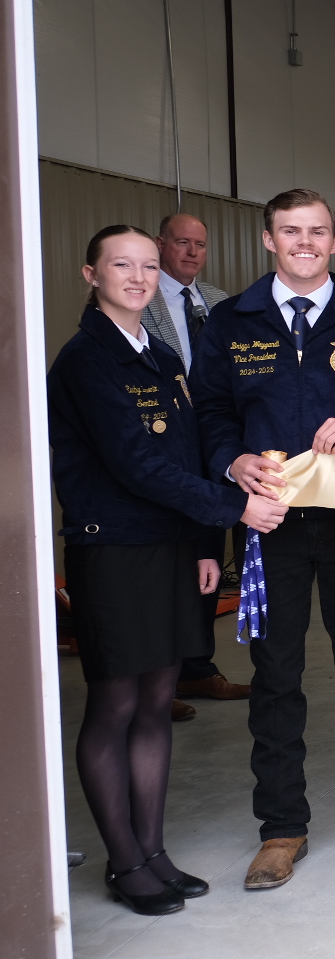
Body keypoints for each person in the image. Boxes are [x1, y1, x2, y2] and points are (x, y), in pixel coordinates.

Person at [192, 188, 335, 889]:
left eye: (316, 232)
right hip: (268, 527)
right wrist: (230, 462)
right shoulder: (233, 321)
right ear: (268, 240)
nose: (304, 242)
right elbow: (209, 412)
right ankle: (282, 829)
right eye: (290, 231)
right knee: (276, 678)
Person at [50, 226, 286, 916]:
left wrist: (206, 543)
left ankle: (153, 852)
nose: (138, 276)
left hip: (171, 548)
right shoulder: (85, 360)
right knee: (116, 704)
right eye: (122, 265)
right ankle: (123, 862)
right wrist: (235, 508)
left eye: (148, 266)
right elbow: (135, 464)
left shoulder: (158, 353)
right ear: (91, 273)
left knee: (157, 702)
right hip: (114, 551)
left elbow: (183, 452)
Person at [140, 213, 250, 705]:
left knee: (210, 555)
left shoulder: (223, 303)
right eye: (181, 242)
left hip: (221, 445)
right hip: (168, 444)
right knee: (170, 559)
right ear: (161, 244)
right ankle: (157, 674)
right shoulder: (139, 296)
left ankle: (197, 665)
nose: (190, 252)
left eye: (199, 245)